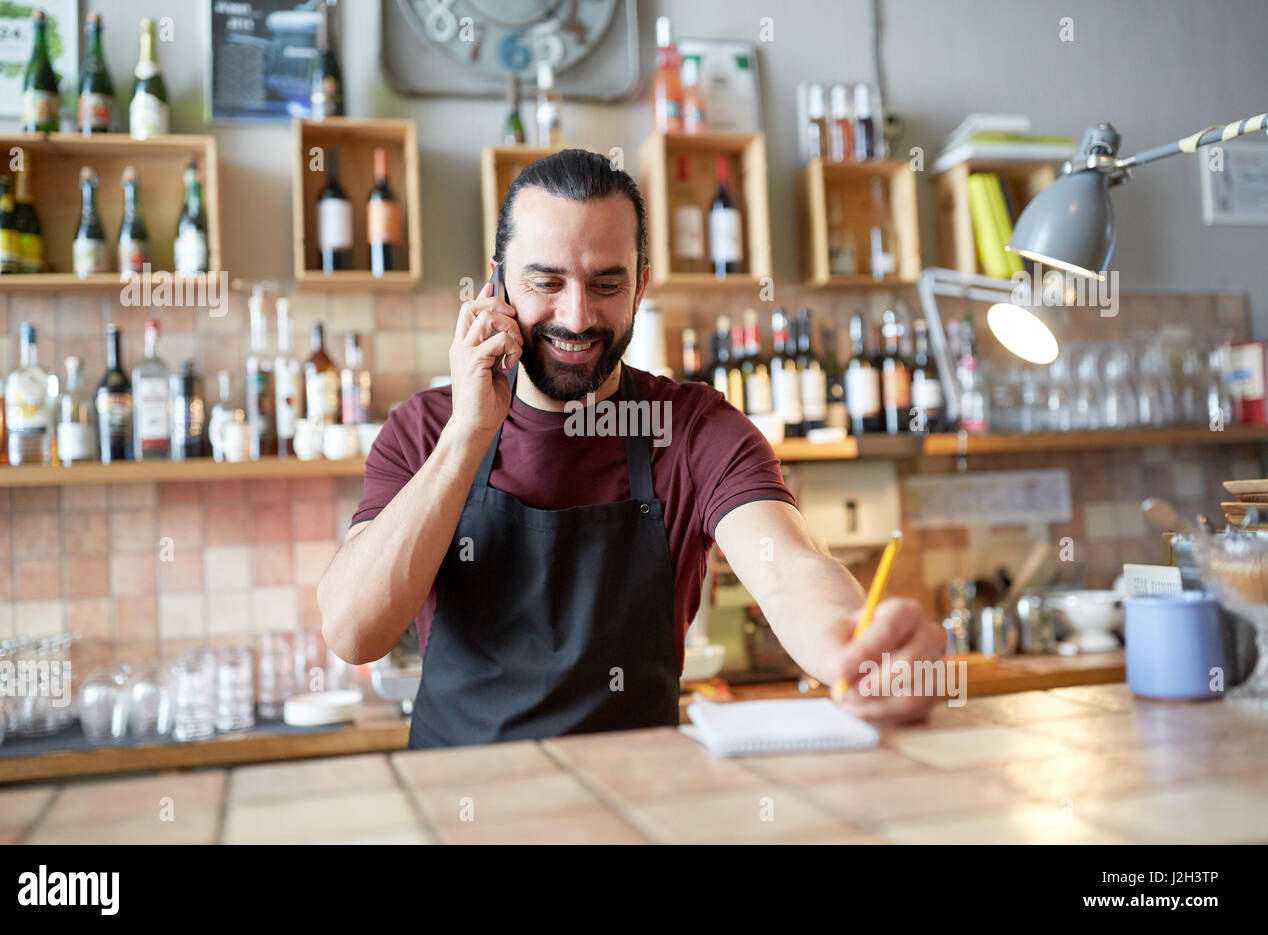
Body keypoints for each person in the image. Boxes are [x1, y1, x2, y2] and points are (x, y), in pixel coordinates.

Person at [318, 149, 944, 748]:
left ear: (641, 286)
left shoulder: (694, 427)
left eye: (606, 285)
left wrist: (854, 651)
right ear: (496, 283)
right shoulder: (425, 429)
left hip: (636, 808)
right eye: (546, 282)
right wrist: (466, 435)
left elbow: (787, 565)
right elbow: (353, 630)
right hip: (464, 811)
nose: (577, 315)